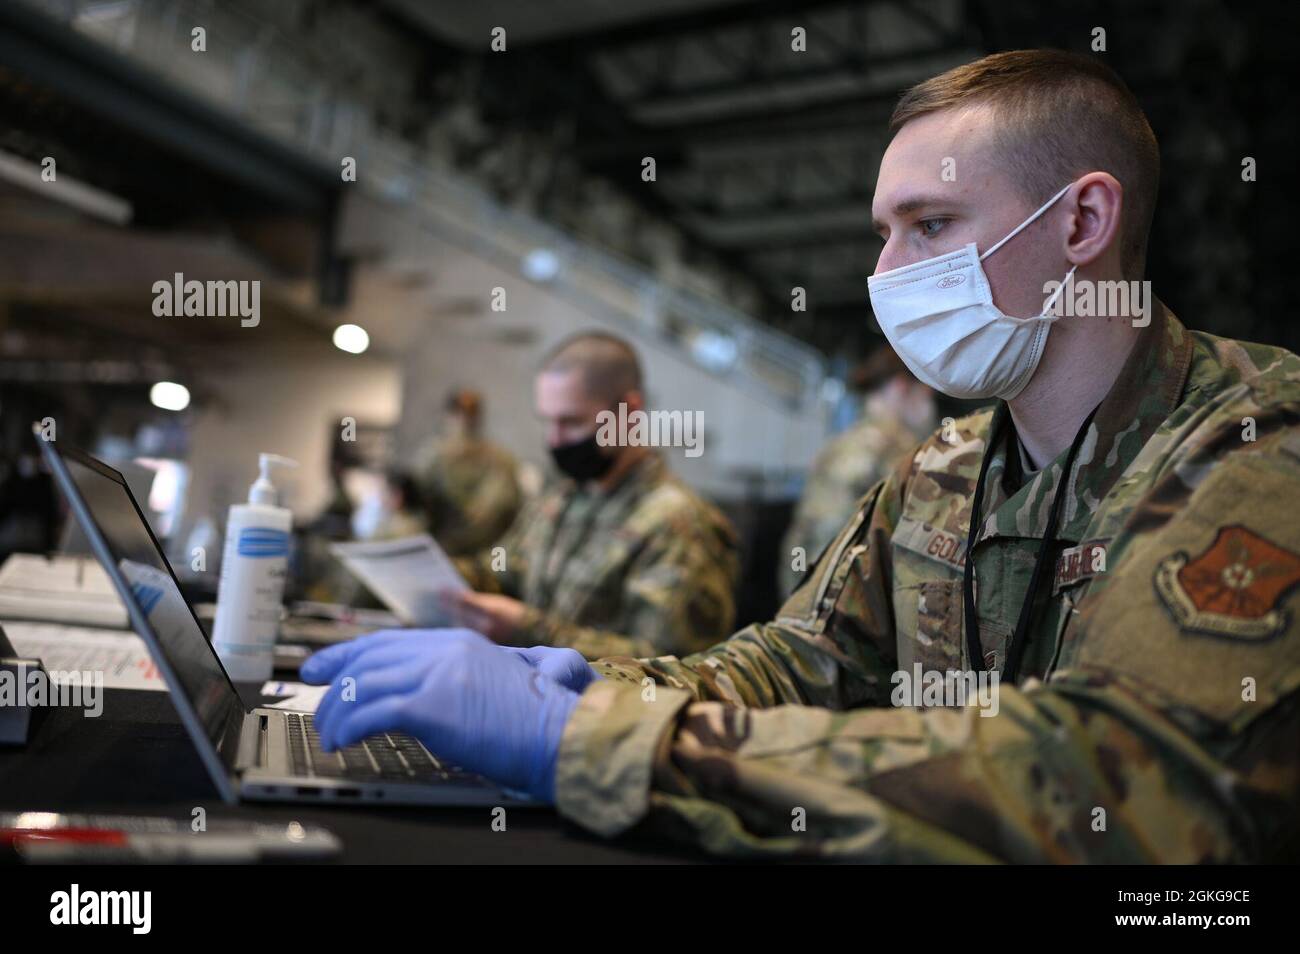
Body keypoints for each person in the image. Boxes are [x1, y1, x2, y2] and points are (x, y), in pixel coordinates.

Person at [302, 50, 1300, 862]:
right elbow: (801, 661)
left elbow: (1118, 777)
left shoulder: (1257, 444)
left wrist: (593, 742)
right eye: (883, 233)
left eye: (931, 226)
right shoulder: (941, 470)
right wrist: (589, 689)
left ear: (1082, 222)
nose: (884, 275)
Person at [446, 331, 739, 659]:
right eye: (548, 421)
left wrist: (528, 630)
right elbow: (502, 574)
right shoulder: (560, 498)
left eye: (571, 422)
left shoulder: (679, 524)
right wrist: (439, 576)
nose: (554, 440)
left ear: (629, 411)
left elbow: (672, 665)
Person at [779, 347, 936, 594]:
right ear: (901, 387)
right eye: (927, 395)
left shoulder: (841, 442)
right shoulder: (901, 452)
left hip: (808, 595)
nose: (930, 408)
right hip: (849, 602)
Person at [414, 389, 522, 558]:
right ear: (448, 415)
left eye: (471, 413)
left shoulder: (499, 460)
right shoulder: (432, 458)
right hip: (443, 549)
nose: (464, 420)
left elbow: (509, 507)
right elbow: (417, 504)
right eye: (458, 412)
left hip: (487, 551)